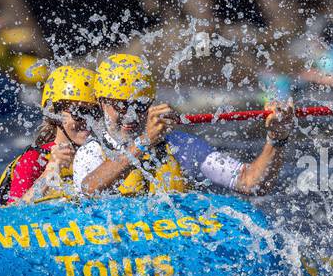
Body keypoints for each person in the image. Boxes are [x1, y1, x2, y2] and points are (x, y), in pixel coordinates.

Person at [75, 53, 294, 197]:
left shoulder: (181, 145)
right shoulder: (90, 151)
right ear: (102, 104)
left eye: (140, 105)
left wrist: (276, 138)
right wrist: (144, 142)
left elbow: (250, 182)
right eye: (121, 106)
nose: (131, 116)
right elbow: (89, 190)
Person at [0, 65, 97, 205]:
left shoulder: (102, 155)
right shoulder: (33, 160)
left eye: (94, 113)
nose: (87, 121)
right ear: (54, 114)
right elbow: (13, 214)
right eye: (78, 112)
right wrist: (51, 170)